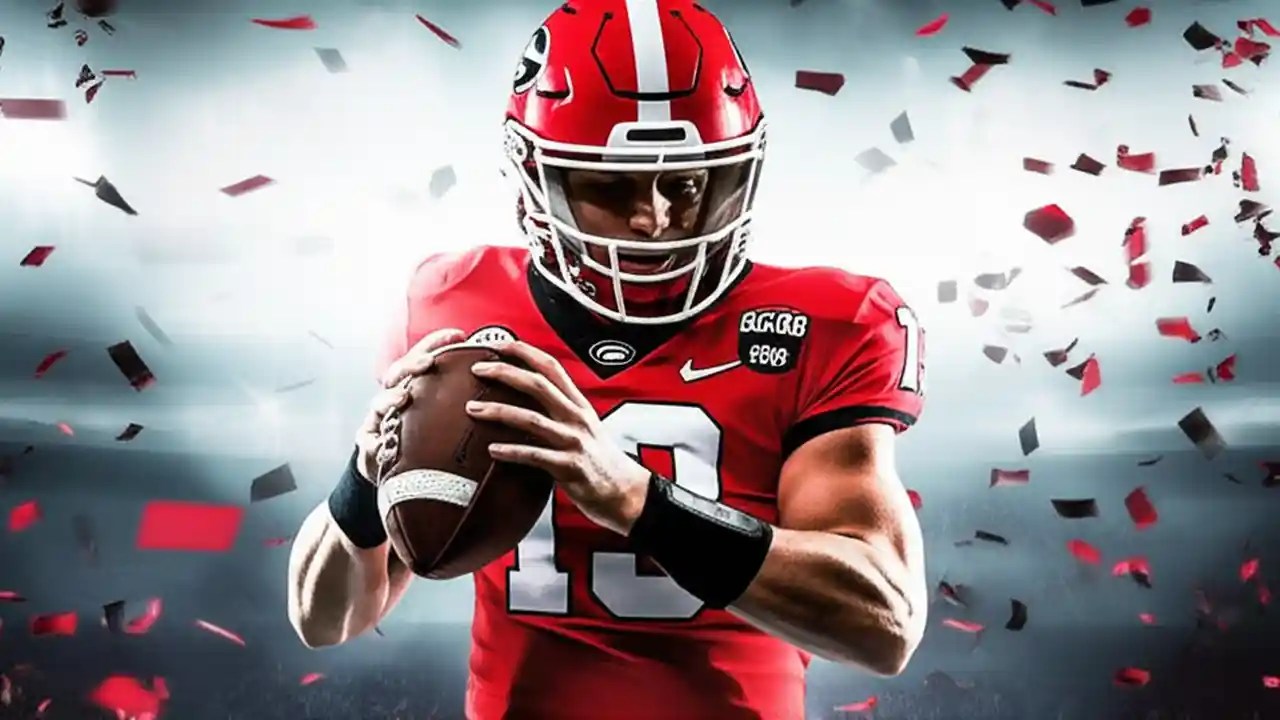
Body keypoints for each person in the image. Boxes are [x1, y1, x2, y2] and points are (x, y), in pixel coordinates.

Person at [286, 1, 929, 718]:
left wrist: (631, 497)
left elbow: (885, 625)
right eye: (611, 186)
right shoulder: (453, 307)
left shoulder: (827, 323)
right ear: (537, 179)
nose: (654, 218)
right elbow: (325, 620)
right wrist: (361, 477)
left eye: (683, 183)